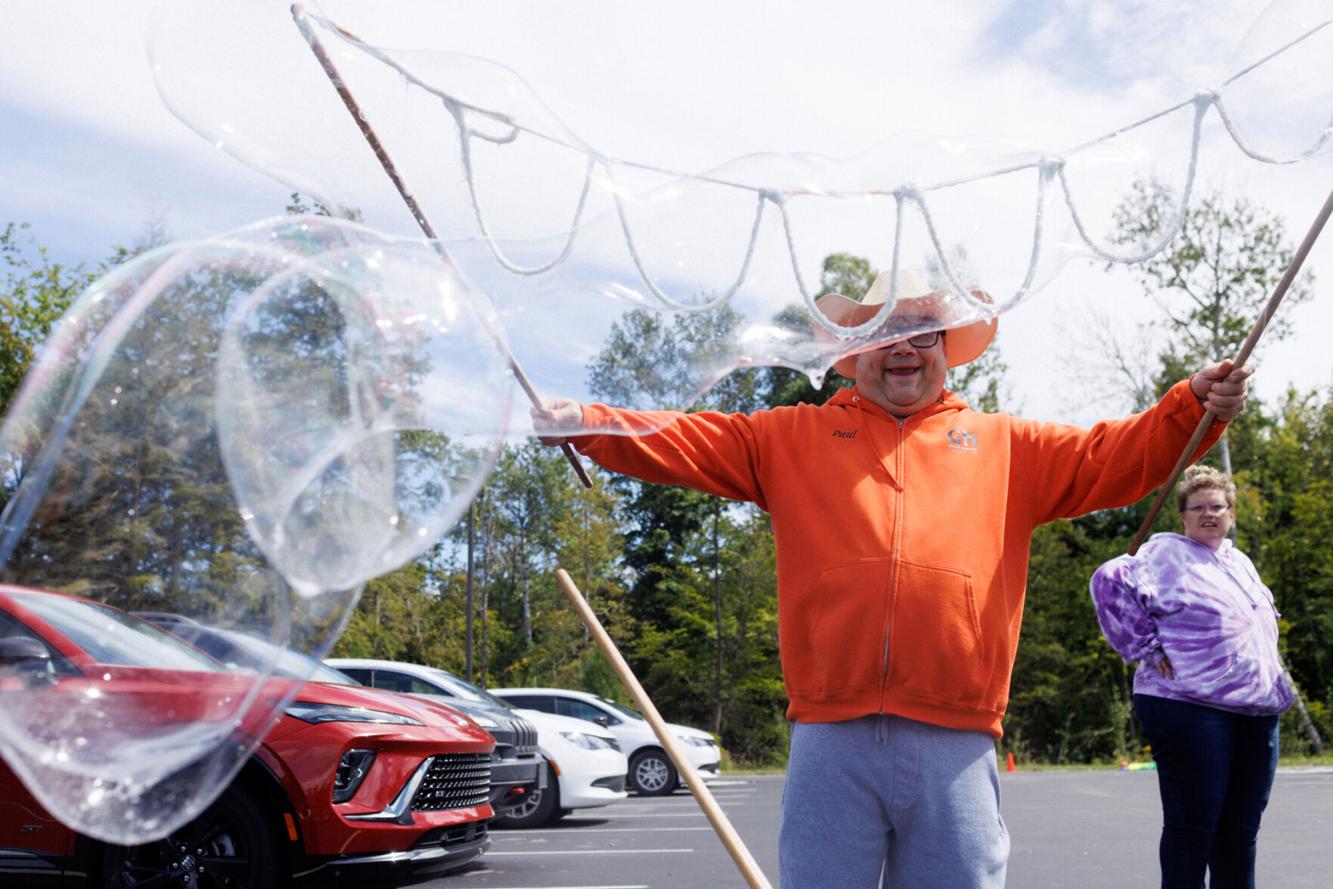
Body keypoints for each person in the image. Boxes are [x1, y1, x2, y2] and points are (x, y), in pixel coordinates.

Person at [533, 272, 1253, 889]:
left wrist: (1192, 402)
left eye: (921, 331)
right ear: (853, 353)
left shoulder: (1008, 446)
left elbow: (1120, 453)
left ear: (946, 351)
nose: (903, 345)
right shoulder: (788, 435)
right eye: (882, 329)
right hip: (828, 733)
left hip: (958, 735)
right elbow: (677, 438)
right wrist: (585, 420)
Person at [1090, 465, 1292, 889]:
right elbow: (1108, 580)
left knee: (1240, 831)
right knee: (1193, 827)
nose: (1208, 514)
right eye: (1197, 507)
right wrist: (1143, 646)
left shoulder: (1238, 561)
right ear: (1182, 516)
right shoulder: (1165, 554)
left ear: (1231, 513)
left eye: (1217, 506)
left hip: (1254, 709)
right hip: (1188, 705)